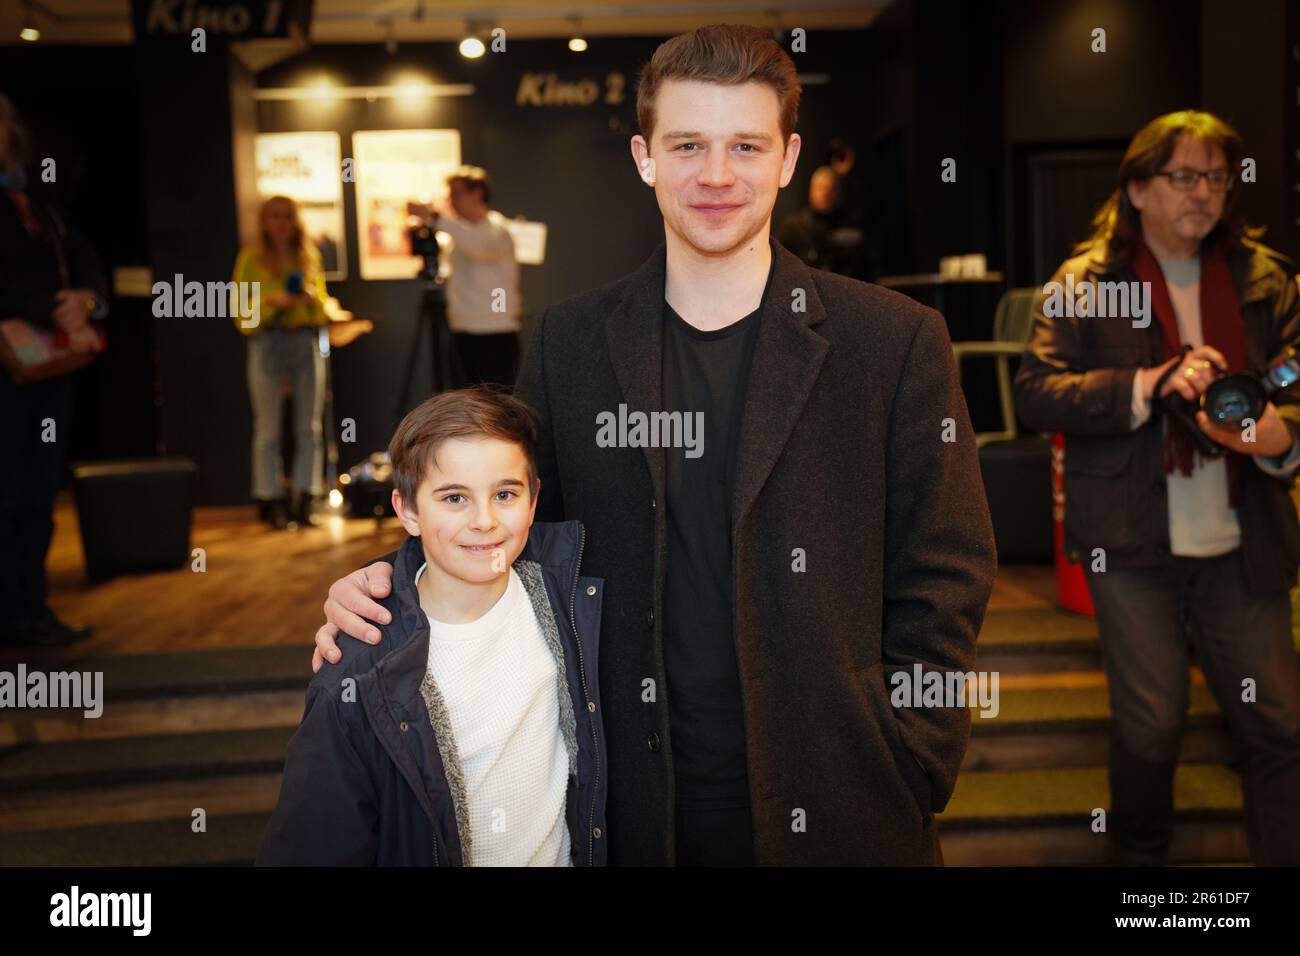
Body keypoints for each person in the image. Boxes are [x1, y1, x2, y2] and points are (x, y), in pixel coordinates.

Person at [313, 23, 995, 865]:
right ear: (644, 157)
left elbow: (948, 564)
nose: (716, 174)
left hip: (847, 796)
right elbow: (510, 516)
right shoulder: (572, 342)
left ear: (786, 159)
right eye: (688, 145)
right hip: (631, 807)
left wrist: (916, 751)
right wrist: (390, 582)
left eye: (745, 145)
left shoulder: (892, 341)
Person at [1014, 110, 1300, 865]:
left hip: (1248, 540)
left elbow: (1297, 376)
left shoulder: (1264, 278)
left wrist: (1281, 436)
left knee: (1278, 725)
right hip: (1131, 544)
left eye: (1216, 177)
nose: (1203, 193)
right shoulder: (1087, 283)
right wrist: (1148, 382)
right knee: (1151, 722)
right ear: (1138, 188)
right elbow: (1037, 393)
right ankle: (1143, 876)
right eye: (1184, 176)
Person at [257, 387, 606, 865]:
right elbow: (313, 844)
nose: (484, 521)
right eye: (454, 498)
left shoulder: (569, 598)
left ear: (533, 501)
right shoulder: (358, 669)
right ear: (407, 511)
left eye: (504, 494)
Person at [0, 91, 107, 647]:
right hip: (8, 372)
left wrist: (84, 301)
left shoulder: (36, 200)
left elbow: (85, 262)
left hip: (47, 370)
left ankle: (30, 609)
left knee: (37, 492)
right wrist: (45, 305)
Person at [232, 195, 330, 529]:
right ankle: (270, 498)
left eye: (287, 216)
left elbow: (322, 309)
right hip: (267, 342)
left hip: (304, 339)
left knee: (309, 427)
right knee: (268, 428)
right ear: (264, 221)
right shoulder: (250, 259)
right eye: (274, 216)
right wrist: (270, 302)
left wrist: (309, 300)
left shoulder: (308, 257)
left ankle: (305, 497)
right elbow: (242, 315)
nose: (281, 223)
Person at [410, 166, 521, 389]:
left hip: (494, 334)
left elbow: (478, 246)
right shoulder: (458, 236)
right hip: (463, 331)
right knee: (468, 404)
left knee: (497, 406)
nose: (451, 201)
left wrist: (435, 217)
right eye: (449, 195)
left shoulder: (497, 231)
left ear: (477, 193)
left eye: (456, 194)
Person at [775, 164, 867, 277]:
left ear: (840, 192)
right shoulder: (793, 227)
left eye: (831, 189)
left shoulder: (852, 228)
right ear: (811, 190)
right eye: (821, 188)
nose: (825, 193)